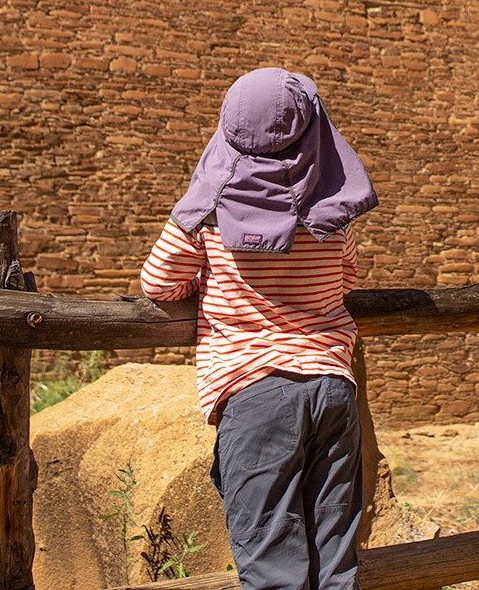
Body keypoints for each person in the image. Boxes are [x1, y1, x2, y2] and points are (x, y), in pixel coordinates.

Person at [139, 67, 378, 588]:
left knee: (272, 566)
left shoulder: (207, 215)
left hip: (255, 392)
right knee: (336, 561)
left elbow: (157, 283)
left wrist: (209, 285)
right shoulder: (329, 214)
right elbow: (347, 278)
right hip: (331, 388)